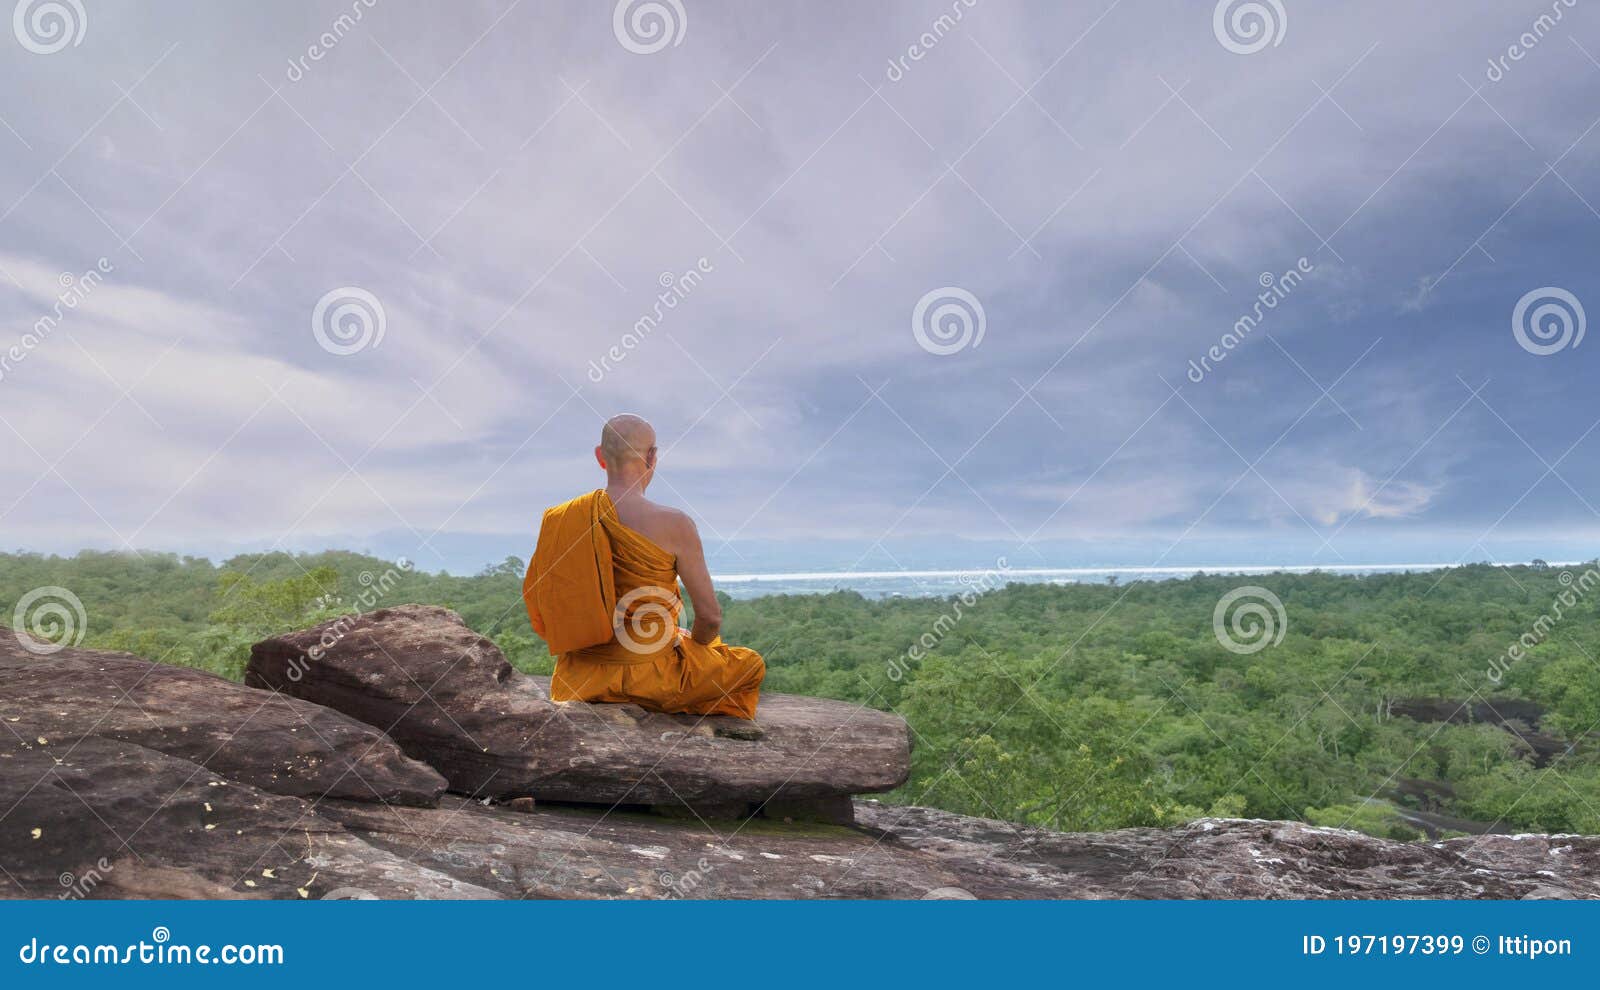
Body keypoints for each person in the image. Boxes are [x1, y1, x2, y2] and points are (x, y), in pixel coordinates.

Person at [521, 414, 764, 720]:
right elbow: (710, 618)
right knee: (750, 662)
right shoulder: (675, 524)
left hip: (578, 680)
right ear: (652, 457)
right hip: (652, 681)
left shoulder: (560, 519)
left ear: (600, 456)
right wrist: (693, 648)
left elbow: (543, 605)